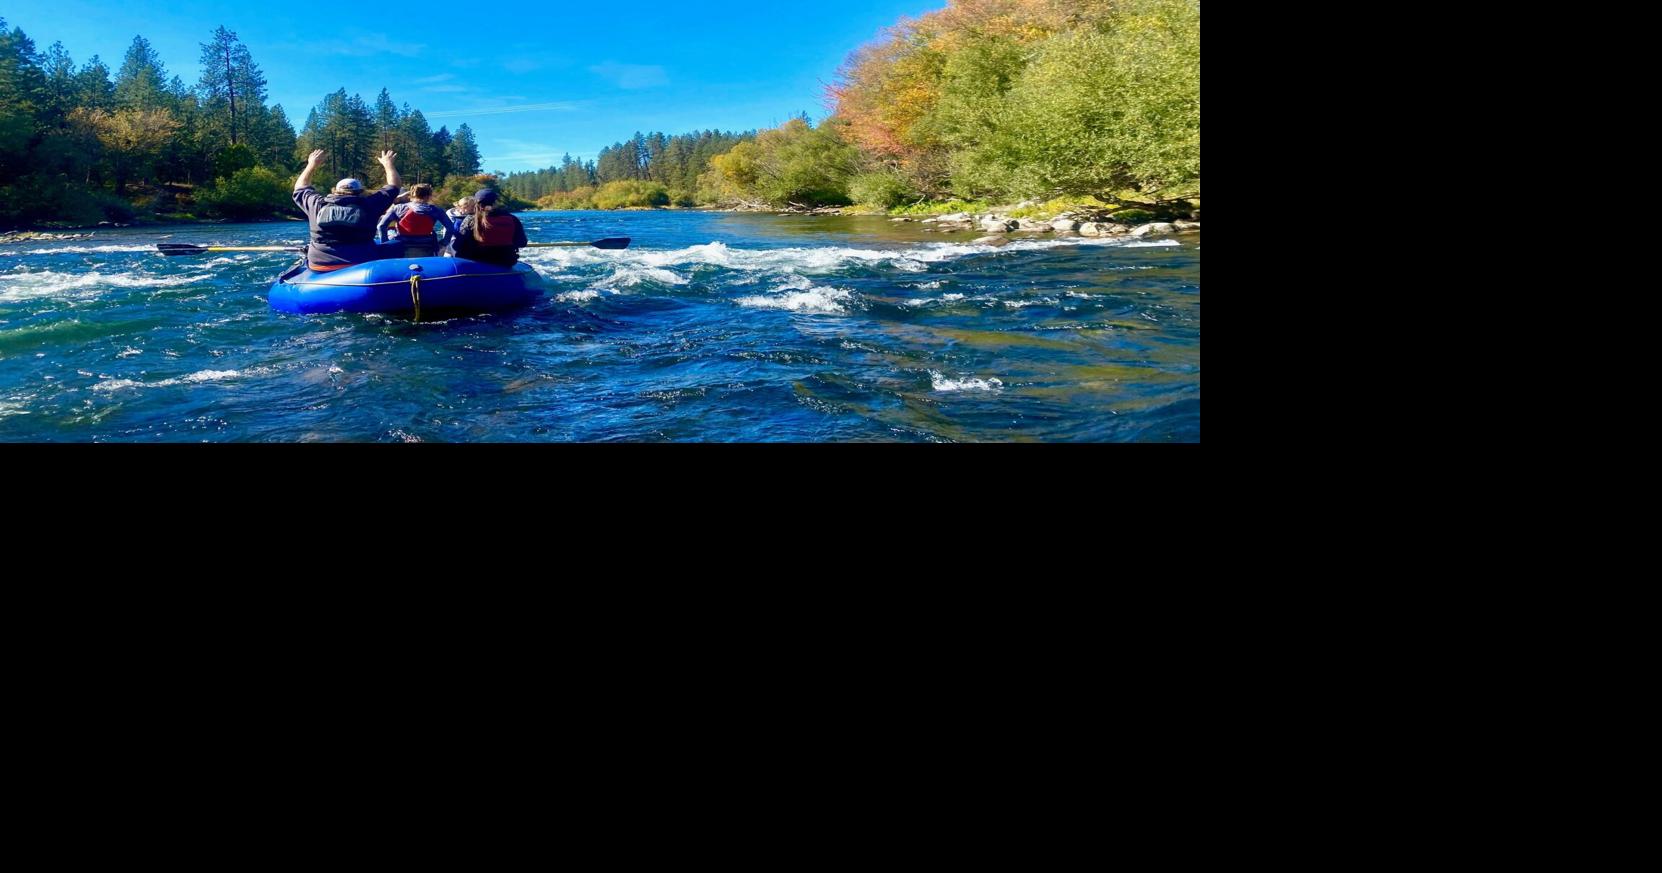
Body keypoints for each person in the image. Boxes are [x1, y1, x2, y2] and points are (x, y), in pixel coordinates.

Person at [291, 149, 402, 272]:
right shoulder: (370, 204)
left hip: (320, 264)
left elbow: (300, 188)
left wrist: (311, 164)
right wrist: (388, 164)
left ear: (334, 191)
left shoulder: (316, 204)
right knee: (396, 245)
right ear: (361, 192)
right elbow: (394, 186)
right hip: (362, 263)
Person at [452, 189, 528, 267]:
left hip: (476, 264)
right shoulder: (512, 219)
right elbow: (522, 243)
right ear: (496, 202)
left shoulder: (470, 220)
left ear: (476, 203)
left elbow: (457, 246)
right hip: (505, 262)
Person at [377, 184, 457, 257]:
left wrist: (385, 244)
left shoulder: (399, 208)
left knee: (391, 232)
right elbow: (450, 228)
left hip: (401, 246)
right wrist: (443, 243)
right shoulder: (436, 210)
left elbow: (381, 226)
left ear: (412, 195)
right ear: (429, 196)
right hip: (427, 246)